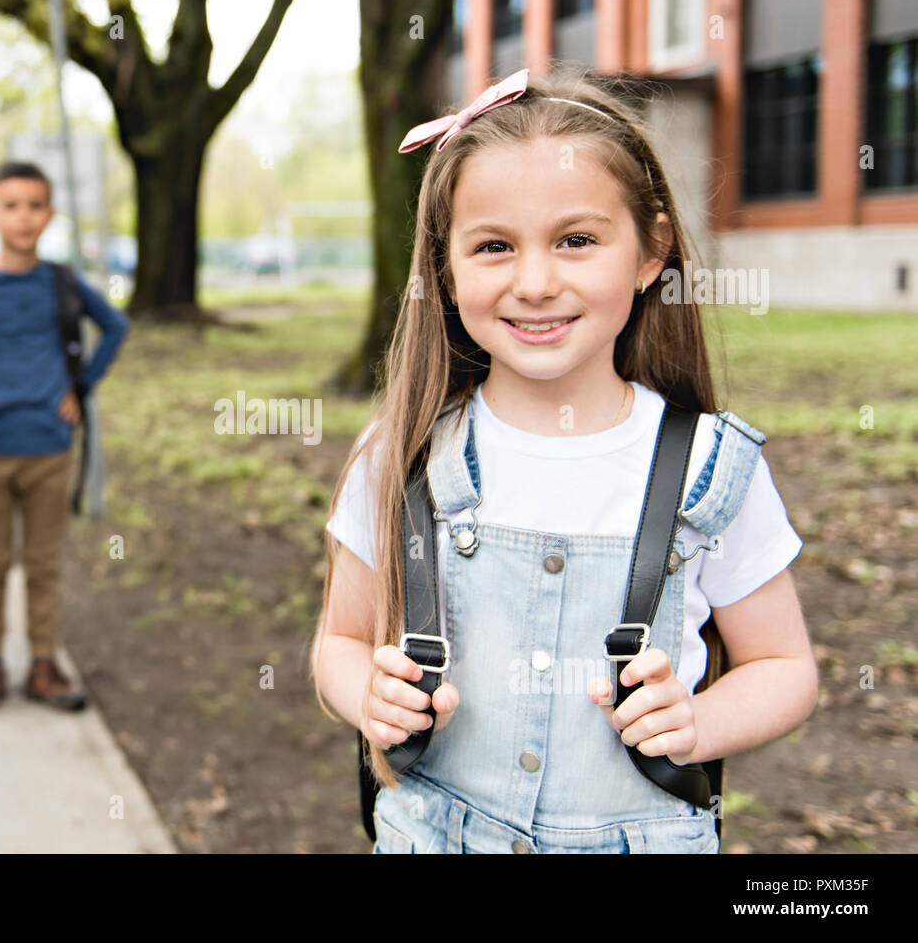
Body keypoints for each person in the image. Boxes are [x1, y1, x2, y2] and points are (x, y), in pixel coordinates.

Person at [310, 68, 818, 854]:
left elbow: (784, 665)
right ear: (445, 269)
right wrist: (368, 696)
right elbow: (338, 642)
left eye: (576, 241)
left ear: (651, 250)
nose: (536, 283)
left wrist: (698, 721)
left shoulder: (707, 469)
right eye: (493, 247)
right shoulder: (401, 456)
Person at [0, 161, 129, 715]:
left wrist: (80, 386)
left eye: (35, 205)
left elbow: (115, 327)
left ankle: (43, 664)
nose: (24, 216)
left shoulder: (62, 282)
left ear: (50, 214)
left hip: (49, 447)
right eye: (10, 206)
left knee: (44, 562)